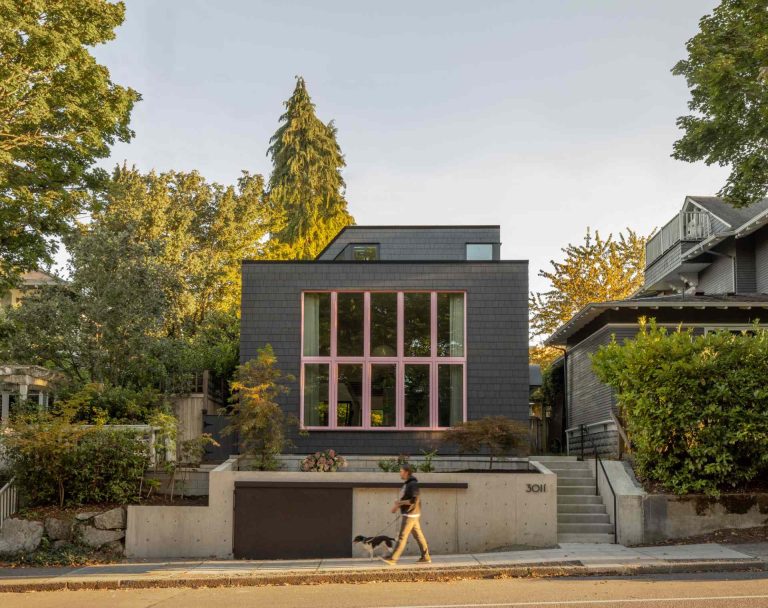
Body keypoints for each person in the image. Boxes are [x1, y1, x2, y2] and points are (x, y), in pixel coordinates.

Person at [382, 463, 431, 565]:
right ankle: (426, 557)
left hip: (410, 514)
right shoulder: (408, 483)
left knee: (402, 537)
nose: (400, 473)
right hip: (413, 513)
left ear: (406, 472)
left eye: (401, 471)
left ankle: (393, 559)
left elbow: (413, 500)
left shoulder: (412, 484)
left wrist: (399, 503)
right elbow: (405, 499)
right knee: (418, 536)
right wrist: (397, 506)